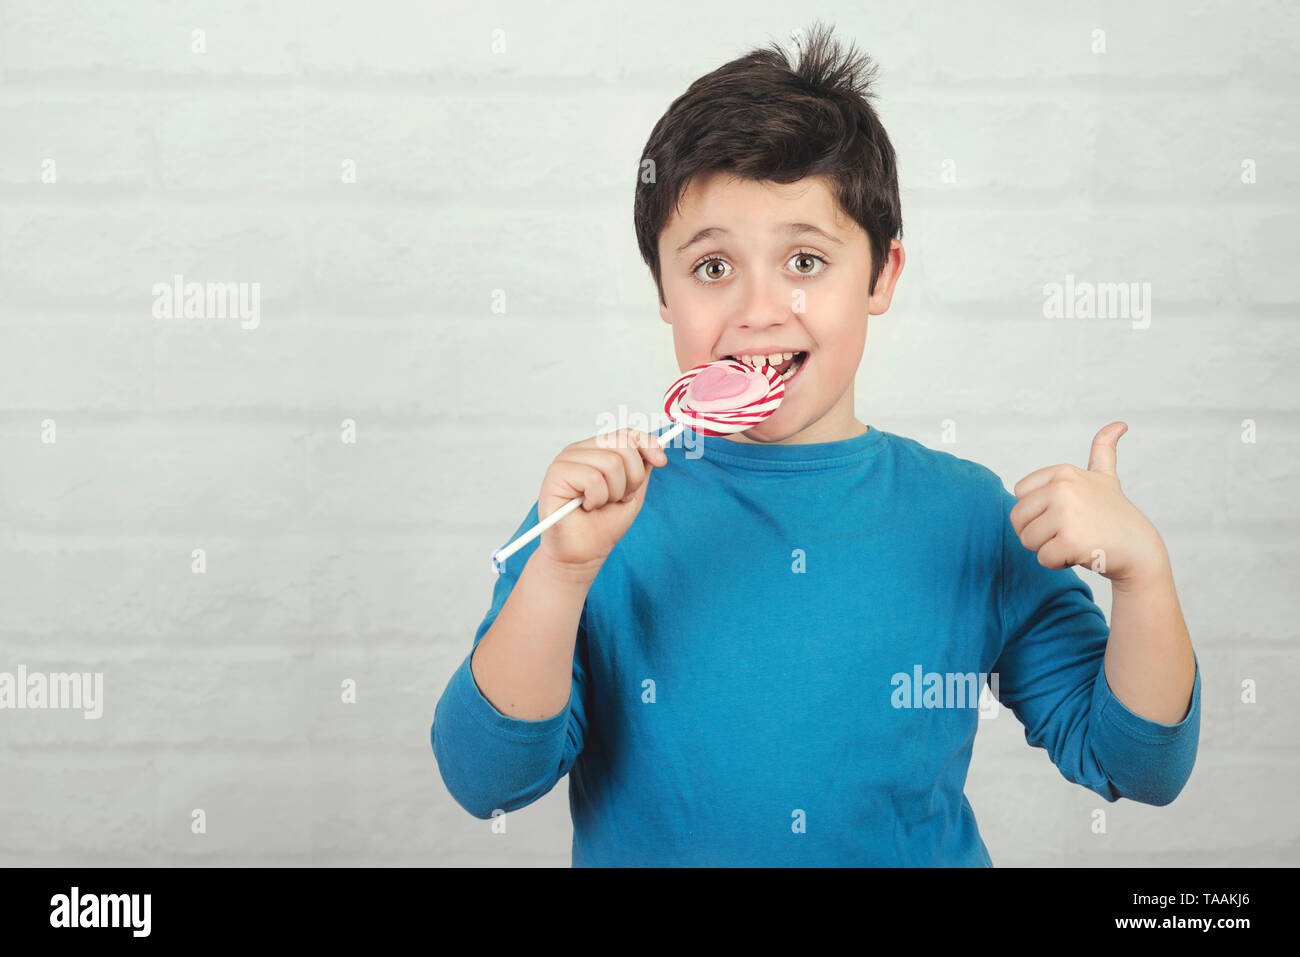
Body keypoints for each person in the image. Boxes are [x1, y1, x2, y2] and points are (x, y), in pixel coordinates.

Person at [431, 21, 1200, 866]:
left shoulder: (972, 515)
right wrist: (561, 576)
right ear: (662, 289)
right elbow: (485, 780)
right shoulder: (590, 517)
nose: (760, 308)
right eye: (712, 267)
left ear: (882, 276)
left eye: (804, 260)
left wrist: (1144, 576)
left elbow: (1137, 764)